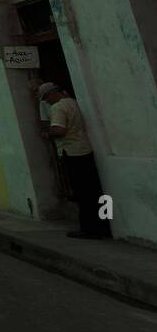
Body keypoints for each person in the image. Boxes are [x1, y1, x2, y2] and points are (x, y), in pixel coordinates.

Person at [39, 83, 111, 239]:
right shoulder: (73, 102)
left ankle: (89, 228)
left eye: (46, 98)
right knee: (94, 191)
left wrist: (47, 134)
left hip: (72, 152)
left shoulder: (57, 108)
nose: (47, 102)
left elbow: (59, 130)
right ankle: (104, 226)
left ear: (52, 94)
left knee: (82, 193)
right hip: (85, 149)